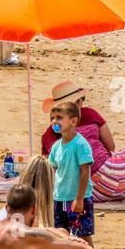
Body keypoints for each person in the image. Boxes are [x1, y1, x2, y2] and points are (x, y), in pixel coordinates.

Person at [47, 102, 95, 241]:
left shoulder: (80, 144)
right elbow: (52, 169)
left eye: (59, 117)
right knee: (60, 235)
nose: (54, 121)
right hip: (59, 197)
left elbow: (85, 172)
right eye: (52, 118)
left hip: (78, 198)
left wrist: (79, 199)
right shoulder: (56, 146)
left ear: (73, 121)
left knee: (83, 236)